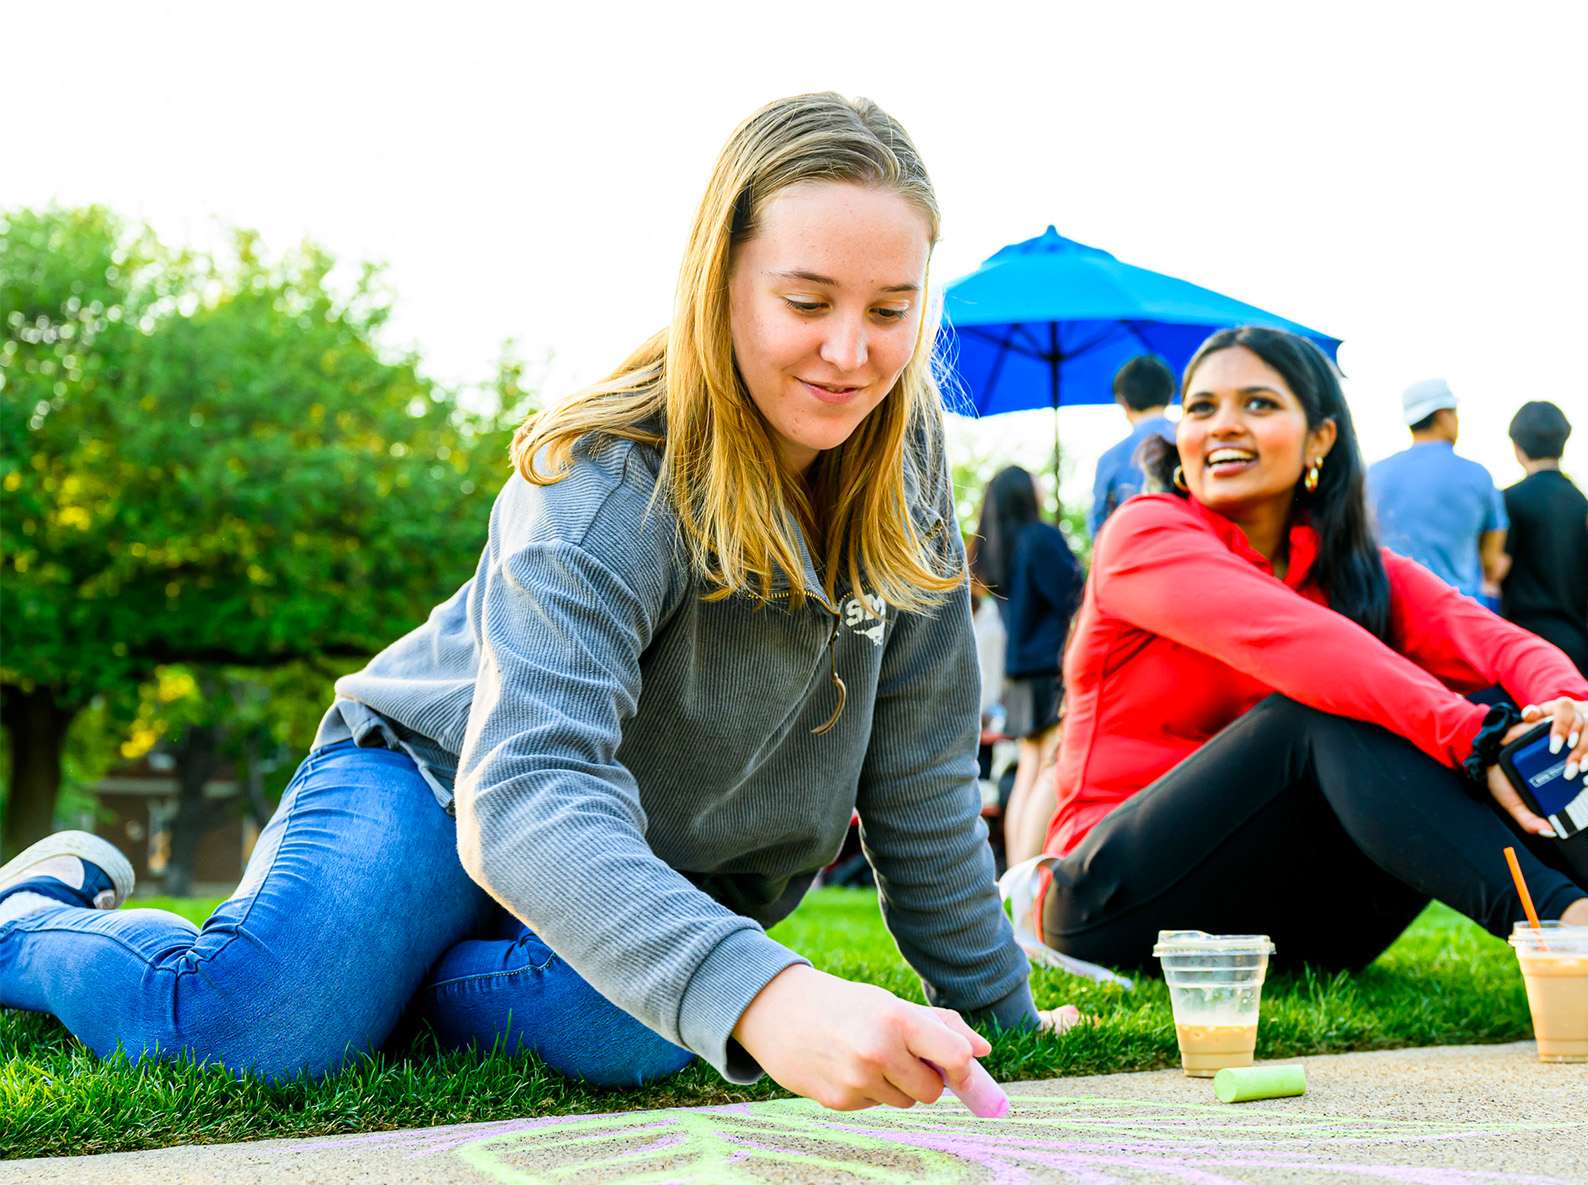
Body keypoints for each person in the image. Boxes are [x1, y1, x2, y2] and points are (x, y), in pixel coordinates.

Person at [0, 92, 1078, 1110]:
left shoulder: (905, 471)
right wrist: (767, 996)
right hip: (437, 784)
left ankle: (380, 985)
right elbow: (528, 785)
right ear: (720, 284)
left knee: (635, 1025)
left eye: (891, 310)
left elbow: (922, 776)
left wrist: (1001, 1015)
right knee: (258, 1028)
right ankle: (26, 923)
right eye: (806, 302)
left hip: (637, 857)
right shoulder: (608, 479)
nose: (850, 352)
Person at [999, 327, 1588, 1053]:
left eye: (1258, 403)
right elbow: (1301, 645)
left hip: (1297, 926)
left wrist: (1569, 705)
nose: (1221, 425)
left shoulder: (1358, 568)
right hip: (1110, 903)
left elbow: (1495, 640)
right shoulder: (1146, 535)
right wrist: (1472, 740)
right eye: (1202, 408)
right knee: (1340, 707)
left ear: (1321, 438)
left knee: (1503, 714)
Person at [973, 465, 1083, 866]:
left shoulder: (996, 548)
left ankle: (1017, 872)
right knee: (1053, 766)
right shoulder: (1040, 538)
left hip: (1018, 674)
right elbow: (1076, 596)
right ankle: (1028, 872)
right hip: (1052, 668)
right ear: (1024, 491)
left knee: (1029, 768)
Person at [1367, 379, 1508, 600]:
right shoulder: (1478, 475)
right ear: (1442, 416)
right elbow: (1490, 562)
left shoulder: (1373, 475)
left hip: (1391, 608)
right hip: (1459, 608)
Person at [1498, 400, 1588, 677]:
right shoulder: (1582, 502)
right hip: (1576, 643)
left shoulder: (1511, 498)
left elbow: (1498, 568)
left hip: (1528, 644)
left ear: (1517, 447)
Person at [1088, 355, 1177, 538]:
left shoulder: (1110, 459)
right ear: (1171, 395)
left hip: (1133, 548)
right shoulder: (1192, 442)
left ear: (1122, 401)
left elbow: (1098, 528)